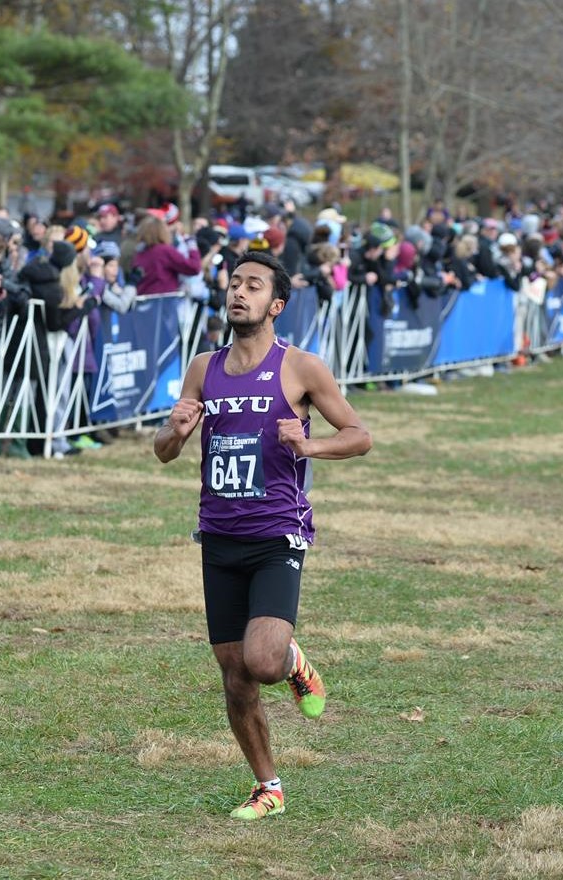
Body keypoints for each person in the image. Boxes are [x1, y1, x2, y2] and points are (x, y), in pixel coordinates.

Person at [152, 249, 371, 821]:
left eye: (253, 285)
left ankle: (294, 661)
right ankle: (268, 785)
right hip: (219, 537)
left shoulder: (301, 367)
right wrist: (173, 433)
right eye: (233, 283)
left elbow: (358, 434)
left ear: (275, 304)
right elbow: (164, 452)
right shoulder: (203, 367)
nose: (239, 292)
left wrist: (309, 444)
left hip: (278, 532)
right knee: (235, 675)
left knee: (264, 661)